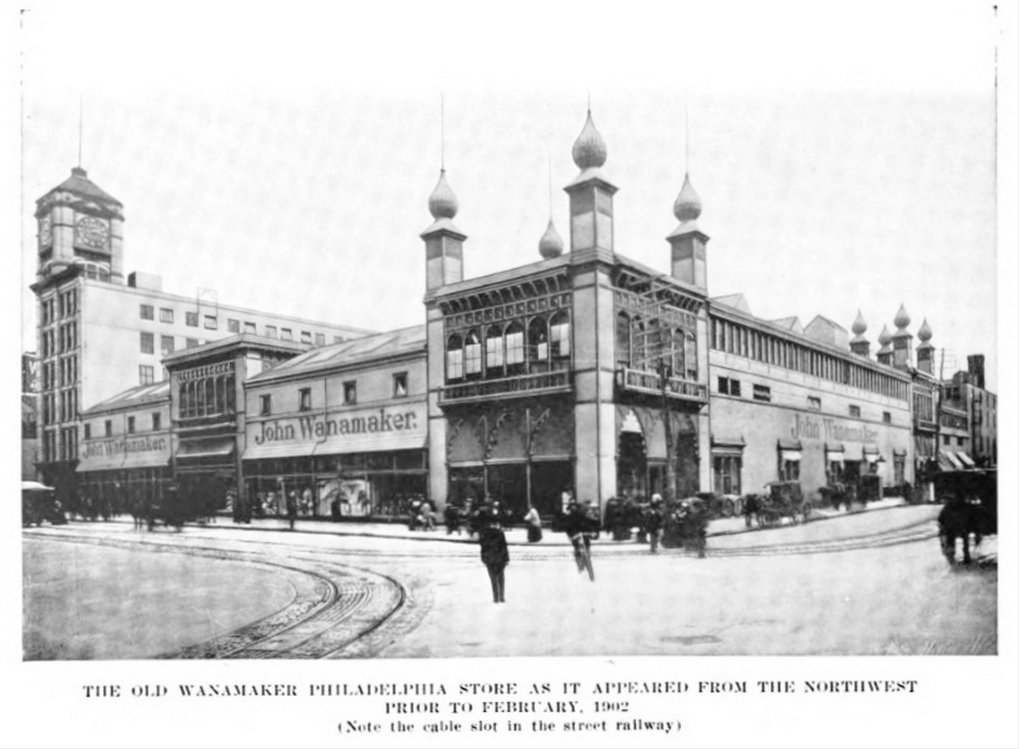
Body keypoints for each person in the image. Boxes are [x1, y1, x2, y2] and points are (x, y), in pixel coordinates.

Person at [478, 517, 509, 603]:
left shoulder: (484, 533)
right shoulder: (500, 533)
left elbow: (482, 547)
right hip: (500, 558)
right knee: (501, 578)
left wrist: (483, 558)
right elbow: (504, 547)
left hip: (489, 558)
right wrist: (506, 559)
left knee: (493, 579)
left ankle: (495, 597)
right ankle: (502, 597)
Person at [563, 499, 598, 573]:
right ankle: (579, 559)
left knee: (586, 545)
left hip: (582, 532)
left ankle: (586, 558)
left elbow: (589, 524)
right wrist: (571, 536)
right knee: (577, 547)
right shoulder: (571, 518)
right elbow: (568, 528)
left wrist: (592, 532)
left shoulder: (582, 516)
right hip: (576, 533)